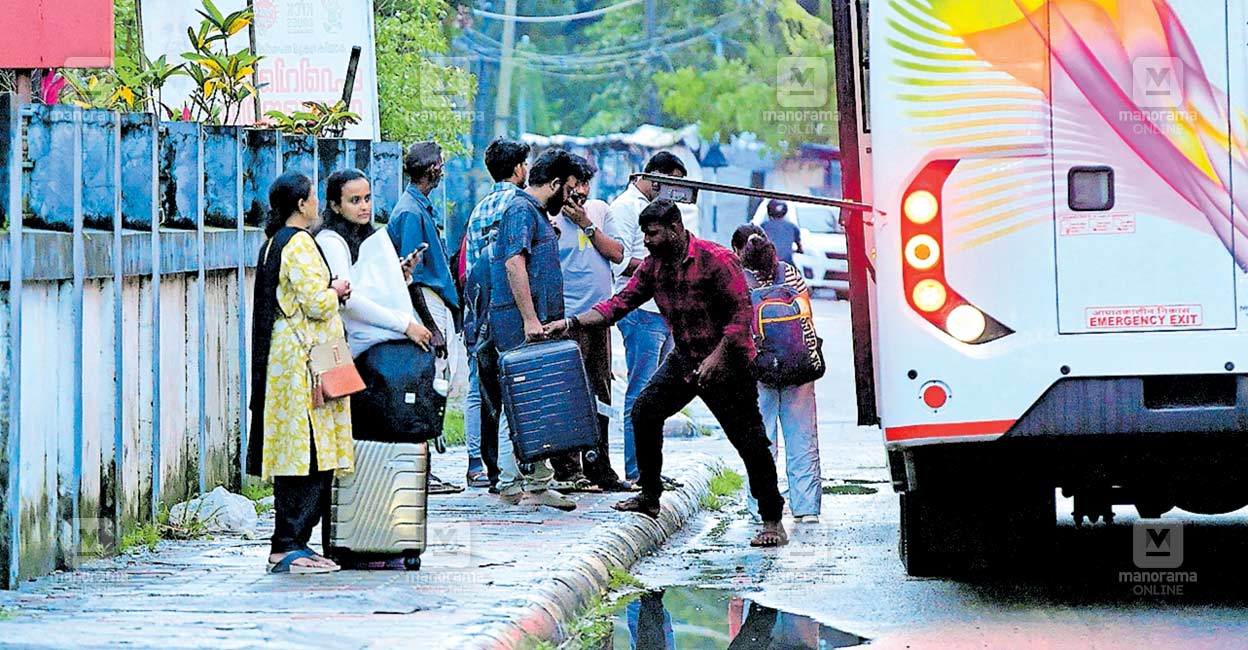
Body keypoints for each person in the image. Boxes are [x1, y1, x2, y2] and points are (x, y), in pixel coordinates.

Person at [545, 200, 788, 547]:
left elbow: (740, 318)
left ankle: (771, 519)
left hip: (729, 362)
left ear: (675, 228)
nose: (645, 240)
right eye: (644, 233)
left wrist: (716, 359)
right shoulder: (653, 266)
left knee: (749, 441)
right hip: (686, 358)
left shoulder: (716, 259)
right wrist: (571, 323)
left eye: (652, 233)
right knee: (645, 411)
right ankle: (649, 495)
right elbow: (620, 304)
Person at [248, 171, 355, 574]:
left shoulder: (273, 243)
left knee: (305, 449)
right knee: (312, 451)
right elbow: (316, 304)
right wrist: (338, 290)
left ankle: (295, 542)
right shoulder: (301, 245)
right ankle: (289, 543)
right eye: (312, 197)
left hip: (294, 356)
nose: (316, 204)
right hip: (310, 359)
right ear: (301, 204)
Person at [489, 148, 593, 510]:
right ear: (553, 184)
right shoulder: (521, 211)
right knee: (520, 401)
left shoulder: (531, 213)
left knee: (535, 400)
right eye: (567, 188)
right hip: (522, 325)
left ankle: (535, 482)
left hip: (536, 323)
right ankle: (512, 482)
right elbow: (514, 264)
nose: (571, 196)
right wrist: (531, 319)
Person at [548, 158, 633, 492]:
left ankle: (600, 466)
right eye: (574, 184)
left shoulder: (599, 210)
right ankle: (567, 470)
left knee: (601, 392)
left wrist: (586, 224)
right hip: (566, 320)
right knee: (567, 392)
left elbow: (616, 253)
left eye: (585, 184)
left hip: (599, 317)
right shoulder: (548, 216)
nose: (581, 191)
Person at [732, 224, 823, 525]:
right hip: (799, 367)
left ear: (737, 251)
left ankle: (760, 507)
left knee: (761, 441)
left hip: (758, 370)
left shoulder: (738, 280)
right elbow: (806, 316)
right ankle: (806, 508)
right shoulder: (790, 274)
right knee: (802, 438)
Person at [387, 141, 463, 494]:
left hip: (434, 301)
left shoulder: (418, 207)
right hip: (425, 304)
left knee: (433, 387)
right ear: (433, 168)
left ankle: (423, 467)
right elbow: (411, 274)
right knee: (426, 388)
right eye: (441, 164)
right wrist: (431, 328)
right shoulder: (411, 212)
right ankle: (420, 470)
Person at [609, 151, 687, 486]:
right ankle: (637, 470)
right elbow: (619, 259)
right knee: (640, 392)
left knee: (658, 394)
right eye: (671, 185)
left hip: (663, 310)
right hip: (641, 311)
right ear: (656, 178)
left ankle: (649, 469)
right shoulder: (624, 209)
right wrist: (660, 268)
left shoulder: (658, 210)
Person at [461, 138, 529, 489]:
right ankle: (517, 468)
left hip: (483, 311)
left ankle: (490, 467)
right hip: (515, 310)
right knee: (518, 389)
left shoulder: (479, 210)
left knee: (488, 394)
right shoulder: (522, 206)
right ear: (518, 169)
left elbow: (471, 268)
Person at [315, 169, 433, 357]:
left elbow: (368, 286)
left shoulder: (365, 236)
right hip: (341, 347)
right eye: (355, 200)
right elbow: (349, 300)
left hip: (366, 341)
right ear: (335, 206)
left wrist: (399, 276)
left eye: (367, 198)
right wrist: (405, 326)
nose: (364, 206)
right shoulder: (330, 242)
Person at [760, 200, 802, 266]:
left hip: (767, 263)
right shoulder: (792, 227)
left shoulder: (763, 226)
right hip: (786, 262)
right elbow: (799, 247)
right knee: (796, 274)